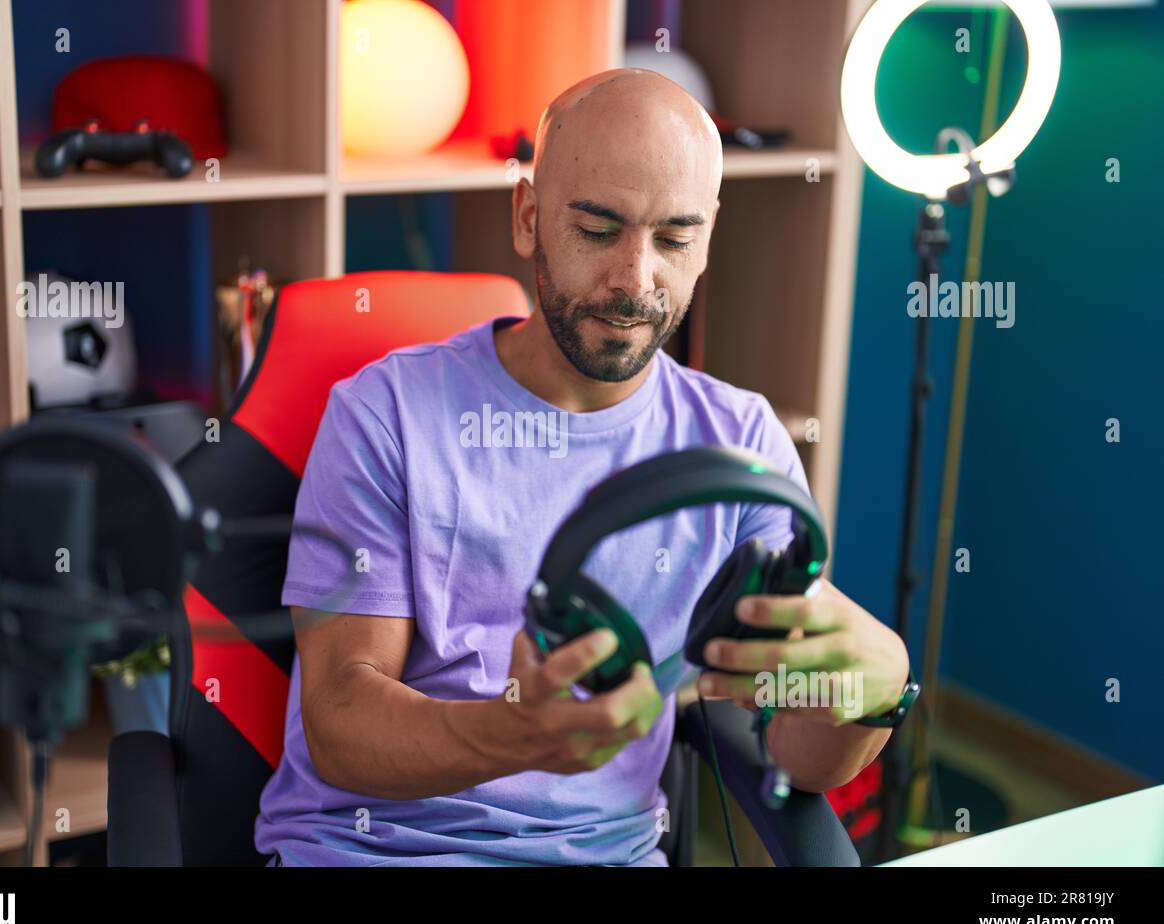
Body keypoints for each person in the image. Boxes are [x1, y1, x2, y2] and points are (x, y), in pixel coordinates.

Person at [256, 68, 910, 866]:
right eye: (598, 230)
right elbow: (339, 725)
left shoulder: (740, 447)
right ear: (528, 217)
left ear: (707, 238)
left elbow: (798, 756)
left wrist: (875, 694)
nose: (636, 281)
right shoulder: (383, 412)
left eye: (674, 238)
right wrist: (509, 732)